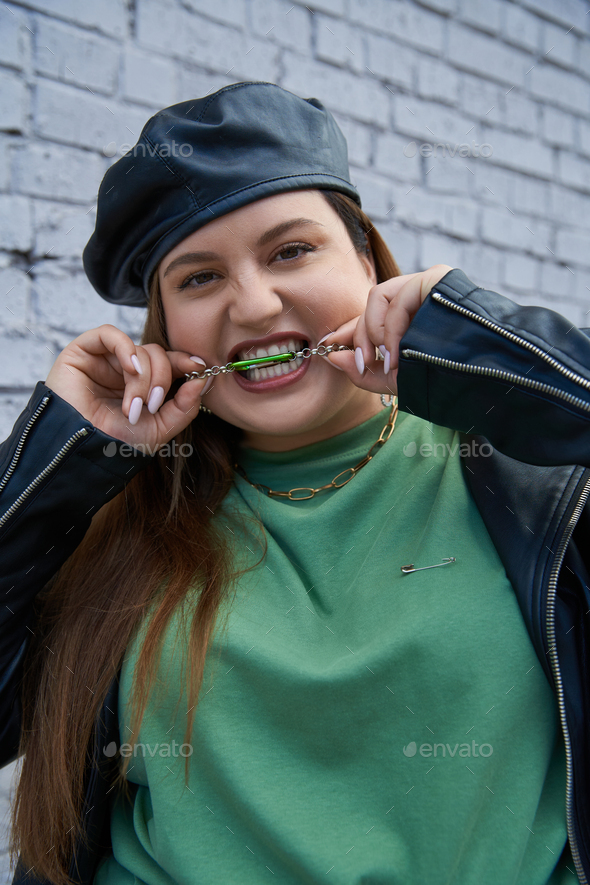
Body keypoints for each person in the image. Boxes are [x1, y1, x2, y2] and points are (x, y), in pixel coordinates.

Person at [0, 81, 589, 885]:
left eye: (290, 251)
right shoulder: (115, 517)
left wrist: (495, 350)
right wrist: (52, 466)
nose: (253, 304)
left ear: (367, 260)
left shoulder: (531, 480)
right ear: (166, 327)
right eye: (199, 278)